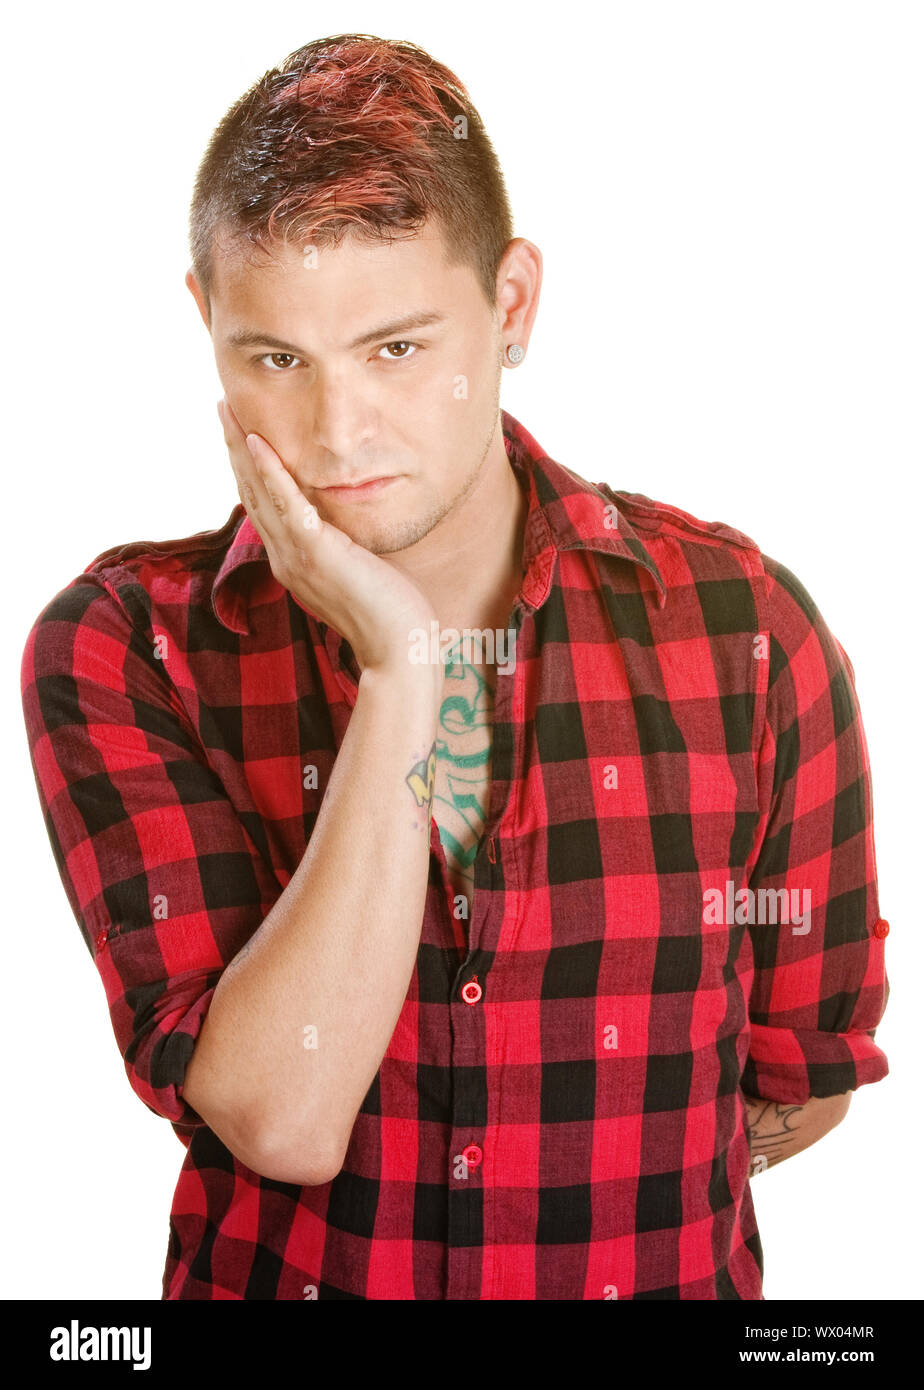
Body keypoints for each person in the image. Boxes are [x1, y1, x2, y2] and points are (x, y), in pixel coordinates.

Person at [20, 32, 890, 1301]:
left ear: (513, 305)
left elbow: (801, 1083)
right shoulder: (124, 645)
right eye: (276, 360)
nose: (336, 431)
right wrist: (403, 669)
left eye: (397, 348)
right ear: (206, 322)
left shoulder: (748, 629)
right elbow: (284, 1118)